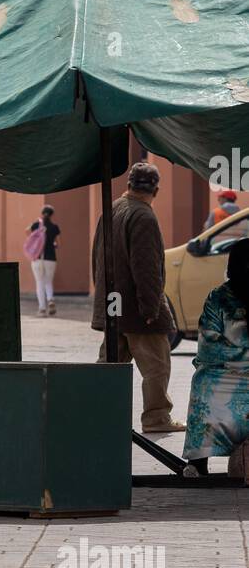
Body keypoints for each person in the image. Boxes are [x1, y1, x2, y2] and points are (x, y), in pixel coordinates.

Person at [92, 160, 185, 436]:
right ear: (155, 190)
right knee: (157, 365)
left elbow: (95, 258)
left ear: (129, 185)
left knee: (110, 367)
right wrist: (151, 307)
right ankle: (156, 417)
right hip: (137, 309)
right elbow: (147, 267)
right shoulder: (143, 216)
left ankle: (97, 411)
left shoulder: (113, 210)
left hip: (113, 307)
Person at [183, 240, 249, 475]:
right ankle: (199, 462)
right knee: (203, 381)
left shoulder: (218, 296)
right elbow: (209, 344)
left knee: (204, 380)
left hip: (226, 369)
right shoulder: (219, 298)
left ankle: (198, 463)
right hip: (225, 369)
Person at [26, 204, 60, 317]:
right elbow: (58, 243)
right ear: (52, 215)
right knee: (48, 281)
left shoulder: (36, 225)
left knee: (39, 282)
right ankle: (50, 299)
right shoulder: (55, 227)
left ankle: (42, 309)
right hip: (51, 258)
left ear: (42, 213)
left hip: (37, 258)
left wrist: (36, 224)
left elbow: (27, 232)